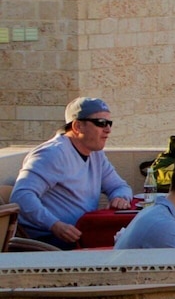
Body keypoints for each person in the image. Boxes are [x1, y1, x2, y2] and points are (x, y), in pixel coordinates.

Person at [11, 97, 134, 250]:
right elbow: (21, 196)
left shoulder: (95, 154)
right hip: (52, 243)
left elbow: (119, 186)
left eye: (109, 123)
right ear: (77, 126)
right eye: (101, 123)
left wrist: (120, 197)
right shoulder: (52, 154)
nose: (108, 129)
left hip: (83, 235)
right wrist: (55, 225)